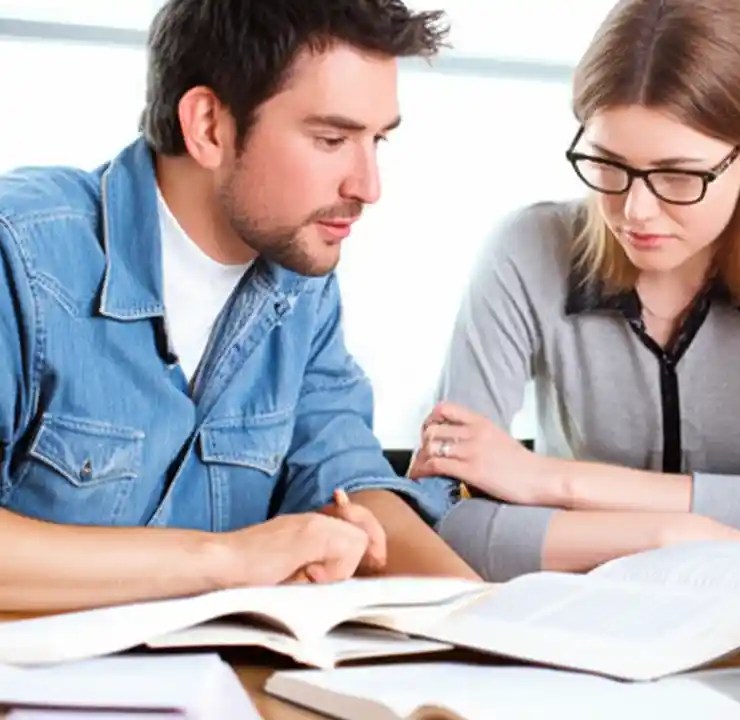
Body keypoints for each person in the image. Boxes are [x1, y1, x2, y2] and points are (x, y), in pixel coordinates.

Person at [0, 0, 479, 612]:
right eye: (331, 139)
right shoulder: (23, 253)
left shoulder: (300, 280)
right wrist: (226, 561)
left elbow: (346, 478)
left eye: (377, 139)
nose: (368, 186)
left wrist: (483, 615)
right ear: (209, 128)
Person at [407, 0, 740, 581]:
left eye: (678, 176)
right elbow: (445, 520)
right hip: (563, 631)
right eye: (607, 165)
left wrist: (547, 481)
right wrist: (673, 535)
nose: (635, 210)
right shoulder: (525, 248)